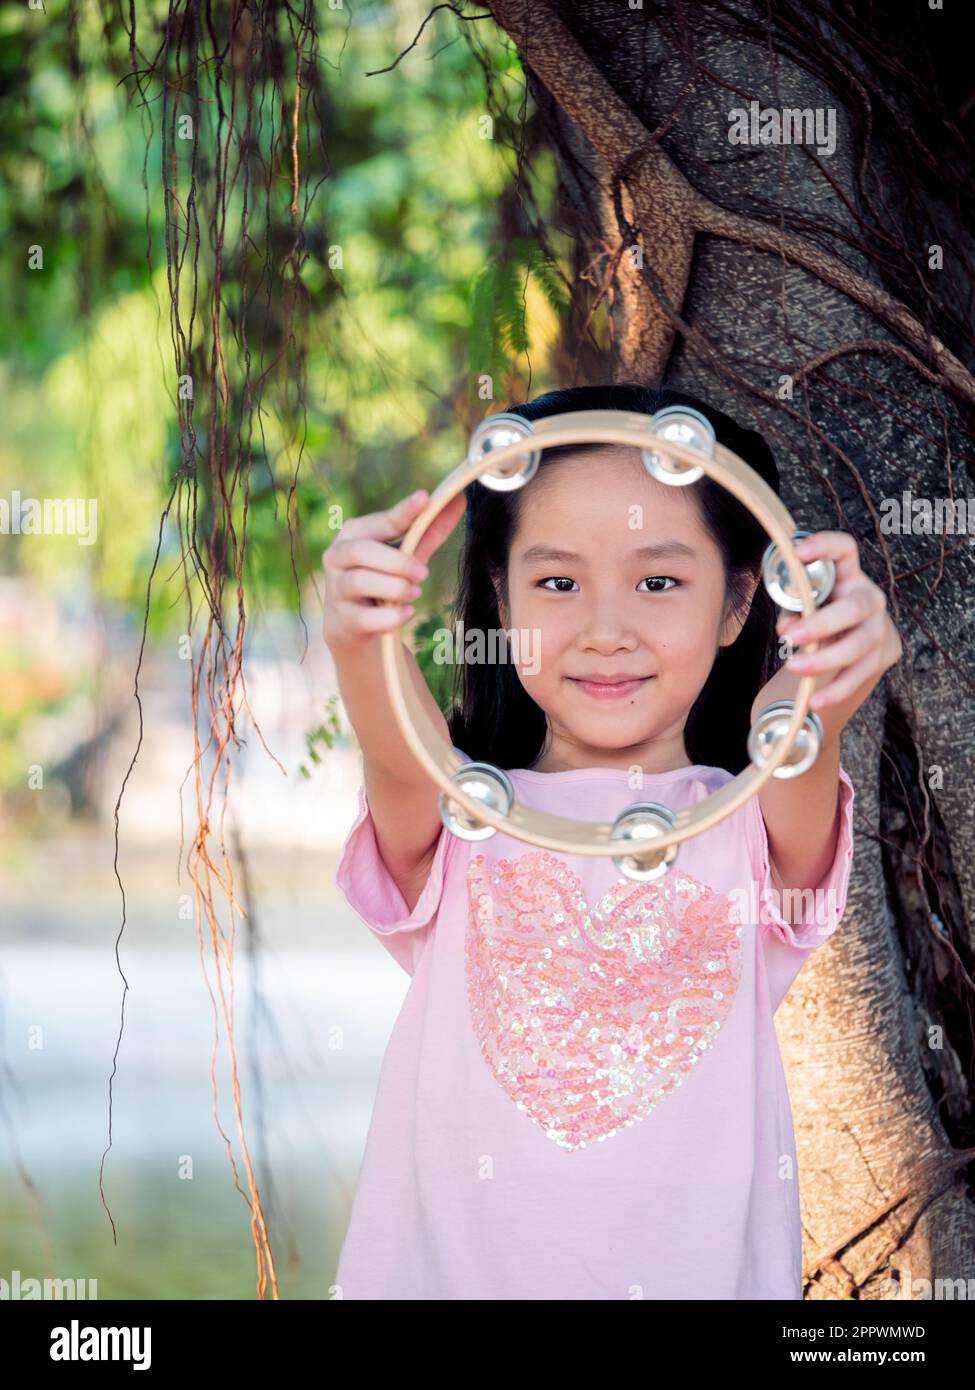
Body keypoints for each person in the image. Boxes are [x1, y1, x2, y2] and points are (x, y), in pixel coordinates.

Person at [321, 381, 902, 1300]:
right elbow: (397, 749)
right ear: (501, 597)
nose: (603, 630)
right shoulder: (465, 817)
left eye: (658, 581)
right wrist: (361, 640)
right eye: (556, 582)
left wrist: (830, 663)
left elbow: (796, 733)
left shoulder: (745, 822)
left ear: (738, 602)